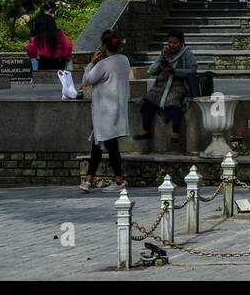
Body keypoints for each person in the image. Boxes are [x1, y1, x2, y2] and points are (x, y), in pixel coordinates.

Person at [79, 30, 130, 191]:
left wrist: (91, 63)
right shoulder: (124, 60)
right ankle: (88, 180)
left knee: (109, 145)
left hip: (104, 112)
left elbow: (87, 80)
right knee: (98, 144)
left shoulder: (103, 64)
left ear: (104, 46)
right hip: (117, 108)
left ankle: (119, 181)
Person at [135, 30, 197, 148]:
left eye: (175, 43)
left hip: (177, 86)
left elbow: (192, 72)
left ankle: (175, 132)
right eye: (170, 43)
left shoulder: (187, 54)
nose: (172, 45)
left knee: (173, 101)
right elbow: (152, 71)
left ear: (181, 42)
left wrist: (174, 71)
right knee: (149, 99)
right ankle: (146, 130)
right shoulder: (165, 53)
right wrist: (161, 58)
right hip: (160, 86)